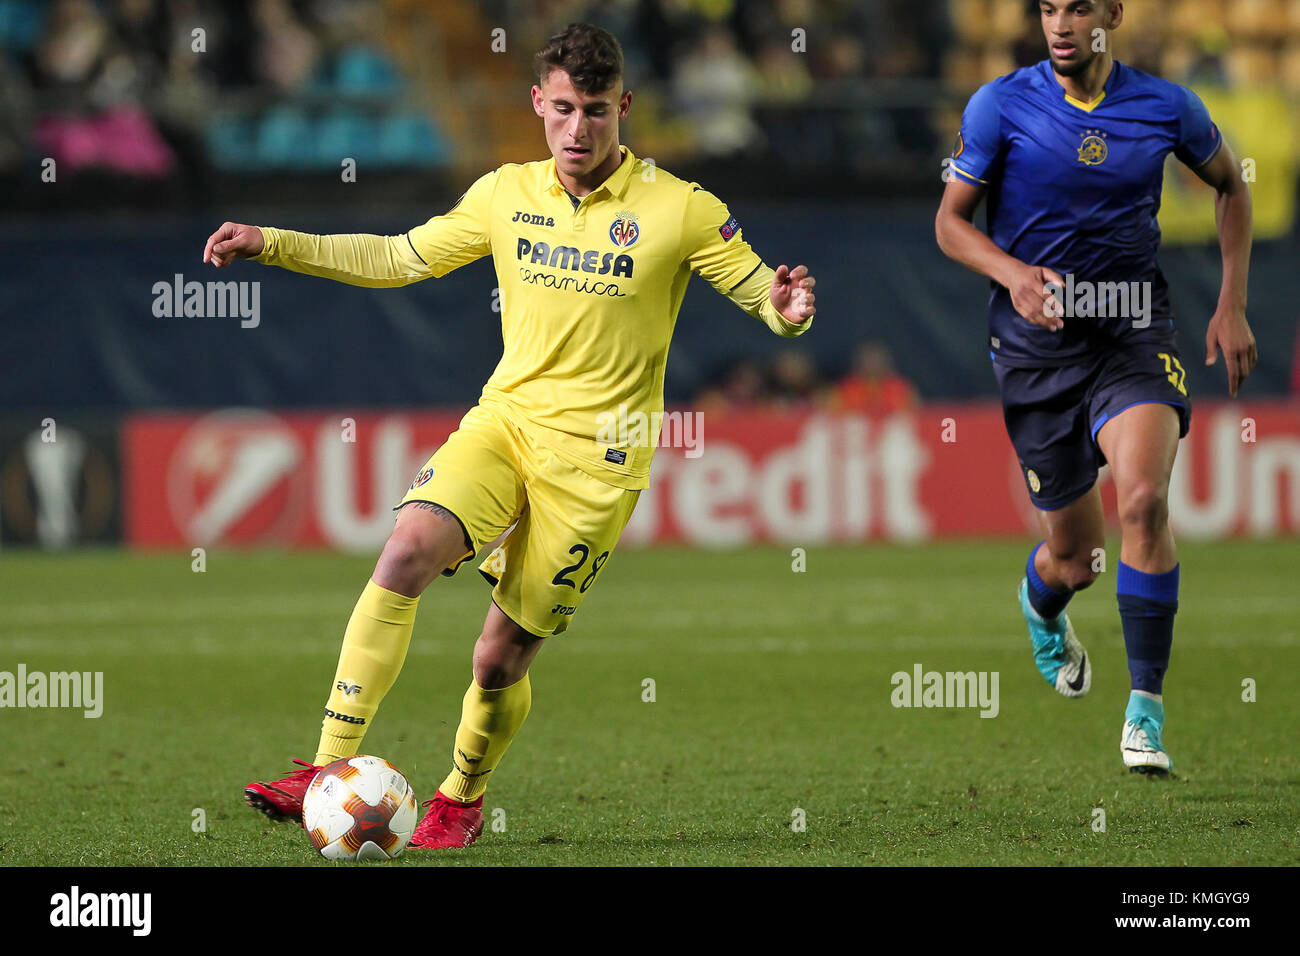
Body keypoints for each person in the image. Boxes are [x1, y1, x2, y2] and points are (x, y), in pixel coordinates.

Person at [203, 22, 816, 848]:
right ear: (537, 103)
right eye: (561, 109)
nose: (577, 130)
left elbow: (760, 295)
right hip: (506, 425)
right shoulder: (504, 194)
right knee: (405, 549)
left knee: (497, 661)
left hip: (597, 467)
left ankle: (462, 793)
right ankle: (324, 765)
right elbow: (396, 258)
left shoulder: (681, 208)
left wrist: (786, 311)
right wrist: (274, 242)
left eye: (595, 111)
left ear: (623, 108)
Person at [935, 0, 1256, 774]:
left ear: (1111, 12)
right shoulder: (999, 104)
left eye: (1078, 6)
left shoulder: (1165, 105)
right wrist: (1013, 276)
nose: (1060, 22)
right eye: (1047, 7)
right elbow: (950, 223)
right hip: (1035, 353)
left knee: (1144, 500)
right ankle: (1042, 606)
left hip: (1131, 333)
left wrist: (1232, 301)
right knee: (1076, 560)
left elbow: (1231, 186)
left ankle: (1144, 713)